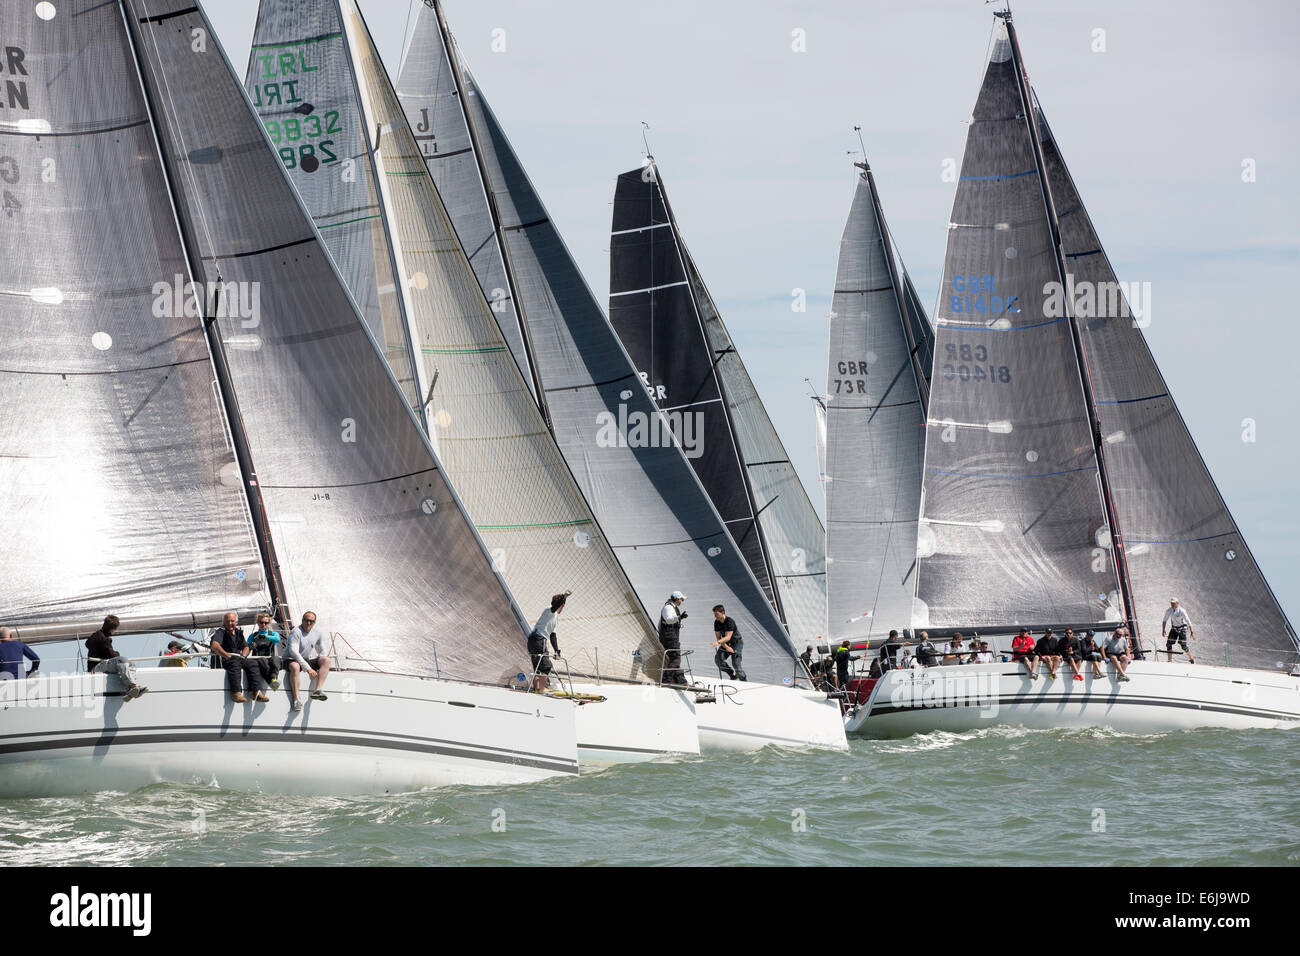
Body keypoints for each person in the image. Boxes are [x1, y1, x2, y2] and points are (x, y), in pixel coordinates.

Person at [209, 612, 267, 704]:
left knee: (253, 663)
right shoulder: (220, 632)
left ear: (236, 622)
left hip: (237, 658)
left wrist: (244, 655)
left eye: (232, 621)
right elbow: (214, 645)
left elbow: (246, 646)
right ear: (223, 622)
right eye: (228, 621)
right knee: (234, 664)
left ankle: (255, 692)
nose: (230, 623)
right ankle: (236, 693)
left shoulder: (238, 632)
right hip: (224, 660)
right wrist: (227, 655)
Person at [85, 615, 147, 701]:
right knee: (122, 660)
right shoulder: (105, 639)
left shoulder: (95, 635)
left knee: (130, 664)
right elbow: (113, 656)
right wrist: (116, 652)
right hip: (96, 667)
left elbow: (87, 644)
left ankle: (132, 689)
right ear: (112, 629)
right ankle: (132, 686)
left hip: (96, 666)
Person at [284, 611, 330, 711]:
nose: (308, 623)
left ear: (314, 622)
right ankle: (297, 700)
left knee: (326, 660)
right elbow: (293, 652)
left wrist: (320, 667)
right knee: (295, 666)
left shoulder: (317, 633)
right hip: (290, 659)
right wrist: (308, 669)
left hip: (305, 660)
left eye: (311, 621)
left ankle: (318, 690)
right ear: (302, 620)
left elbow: (322, 650)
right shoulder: (296, 632)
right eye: (306, 620)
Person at [528, 593, 566, 693]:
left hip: (533, 640)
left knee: (538, 668)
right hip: (539, 640)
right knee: (546, 667)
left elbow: (553, 635)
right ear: (562, 605)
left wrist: (557, 650)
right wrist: (564, 597)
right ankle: (541, 690)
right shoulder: (549, 610)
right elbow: (555, 607)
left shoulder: (554, 617)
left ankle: (536, 690)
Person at [658, 591, 689, 686]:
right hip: (669, 636)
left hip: (672, 636)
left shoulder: (673, 607)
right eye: (681, 599)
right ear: (676, 599)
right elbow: (668, 619)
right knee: (676, 657)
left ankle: (681, 681)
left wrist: (680, 618)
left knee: (675, 658)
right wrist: (679, 617)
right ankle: (666, 681)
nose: (682, 601)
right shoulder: (668, 607)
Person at [711, 605, 746, 681]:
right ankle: (732, 674)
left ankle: (744, 681)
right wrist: (727, 647)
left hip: (737, 643)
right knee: (718, 660)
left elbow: (728, 637)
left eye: (716, 614)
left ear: (722, 612)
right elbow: (719, 637)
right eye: (714, 614)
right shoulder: (716, 623)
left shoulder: (730, 621)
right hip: (726, 644)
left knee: (736, 664)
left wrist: (718, 642)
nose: (715, 616)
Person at [247, 612, 281, 689]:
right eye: (261, 622)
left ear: (269, 623)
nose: (264, 625)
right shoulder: (253, 636)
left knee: (276, 659)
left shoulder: (273, 634)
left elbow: (277, 639)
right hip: (257, 659)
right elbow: (247, 647)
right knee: (262, 660)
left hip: (269, 658)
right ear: (257, 623)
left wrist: (266, 636)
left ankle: (273, 679)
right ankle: (271, 681)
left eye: (266, 623)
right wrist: (250, 646)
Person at [1162, 598, 1196, 664]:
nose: (1172, 604)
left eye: (1174, 603)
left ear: (1177, 603)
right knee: (1168, 644)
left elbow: (1188, 621)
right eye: (1171, 603)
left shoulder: (1182, 611)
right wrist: (1163, 630)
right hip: (1174, 628)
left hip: (1182, 628)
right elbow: (1164, 620)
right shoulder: (1169, 610)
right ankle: (1169, 660)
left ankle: (1191, 658)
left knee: (1183, 645)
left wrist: (1192, 632)